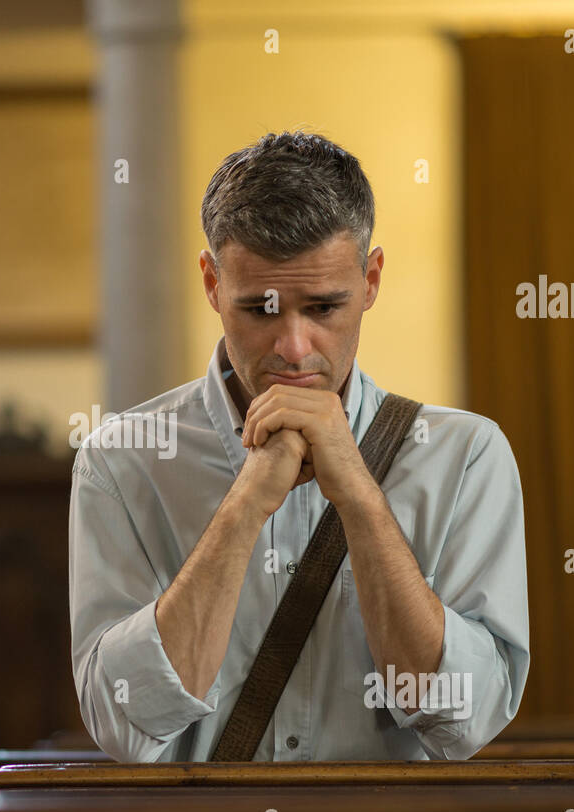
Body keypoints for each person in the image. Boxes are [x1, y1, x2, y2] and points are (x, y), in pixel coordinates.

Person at [69, 130, 529, 762]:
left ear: (370, 281)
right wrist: (246, 504)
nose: (293, 348)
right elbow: (125, 728)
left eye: (323, 307)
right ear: (211, 283)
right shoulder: (120, 461)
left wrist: (361, 498)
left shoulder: (467, 455)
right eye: (260, 310)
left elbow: (464, 723)